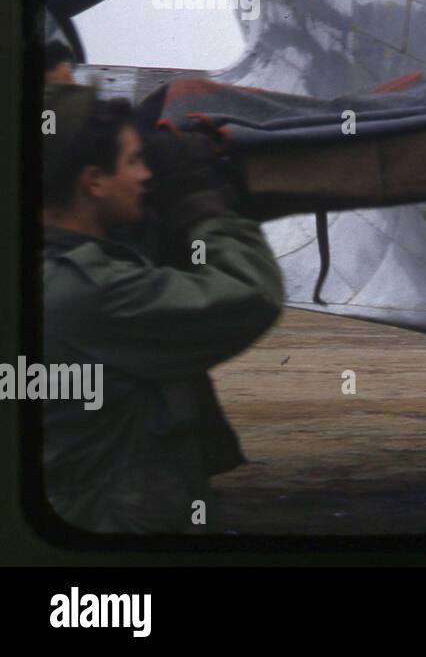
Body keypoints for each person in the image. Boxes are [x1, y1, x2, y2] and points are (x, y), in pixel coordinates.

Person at [42, 83, 284, 533]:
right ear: (93, 181)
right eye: (134, 161)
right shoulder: (93, 291)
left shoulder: (59, 268)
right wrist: (201, 204)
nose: (145, 175)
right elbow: (252, 292)